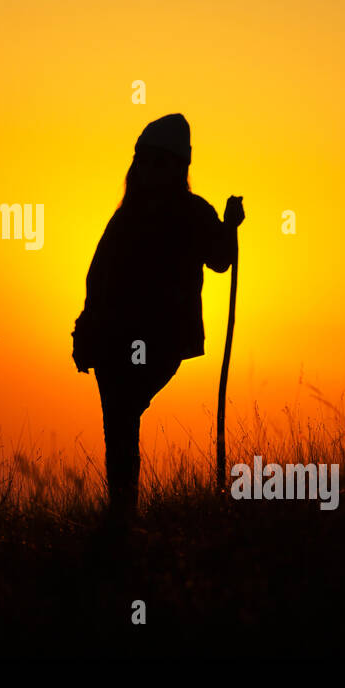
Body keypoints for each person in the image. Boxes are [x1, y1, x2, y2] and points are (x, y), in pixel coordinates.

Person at [71, 113, 244, 522]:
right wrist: (86, 329)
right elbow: (98, 280)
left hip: (152, 339)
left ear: (175, 168)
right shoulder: (132, 218)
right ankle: (122, 520)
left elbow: (220, 259)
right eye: (144, 161)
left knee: (121, 420)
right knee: (120, 423)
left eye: (156, 162)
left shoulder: (184, 214)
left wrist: (229, 226)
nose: (148, 170)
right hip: (119, 340)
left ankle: (121, 520)